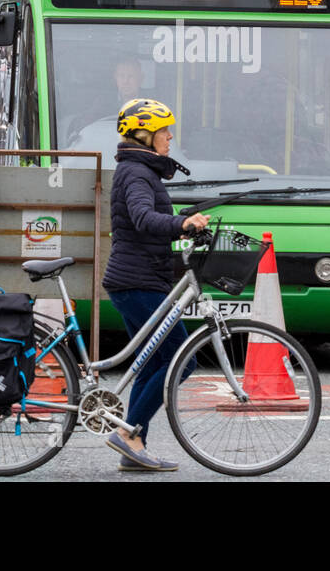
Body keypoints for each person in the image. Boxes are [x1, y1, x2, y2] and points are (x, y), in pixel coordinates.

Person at [102, 98, 211, 472]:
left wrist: (182, 217)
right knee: (183, 358)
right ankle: (130, 433)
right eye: (164, 131)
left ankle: (134, 443)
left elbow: (145, 219)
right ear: (144, 135)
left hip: (136, 280)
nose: (169, 138)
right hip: (138, 281)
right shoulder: (136, 172)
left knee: (151, 364)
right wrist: (182, 226)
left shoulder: (139, 170)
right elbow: (143, 219)